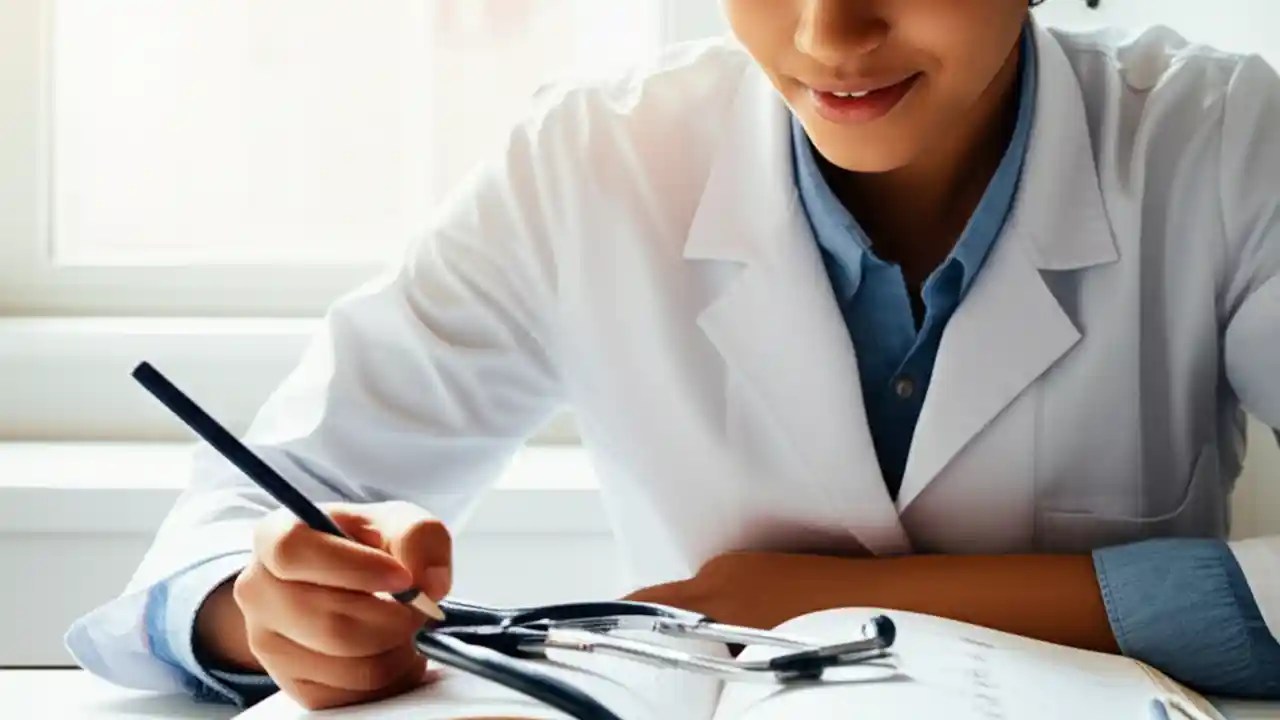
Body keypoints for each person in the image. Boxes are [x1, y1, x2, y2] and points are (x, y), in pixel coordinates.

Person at [68, 0, 1280, 711]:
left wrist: (827, 603)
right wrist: (265, 605)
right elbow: (238, 514)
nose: (829, 34)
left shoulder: (1221, 143)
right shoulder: (590, 158)